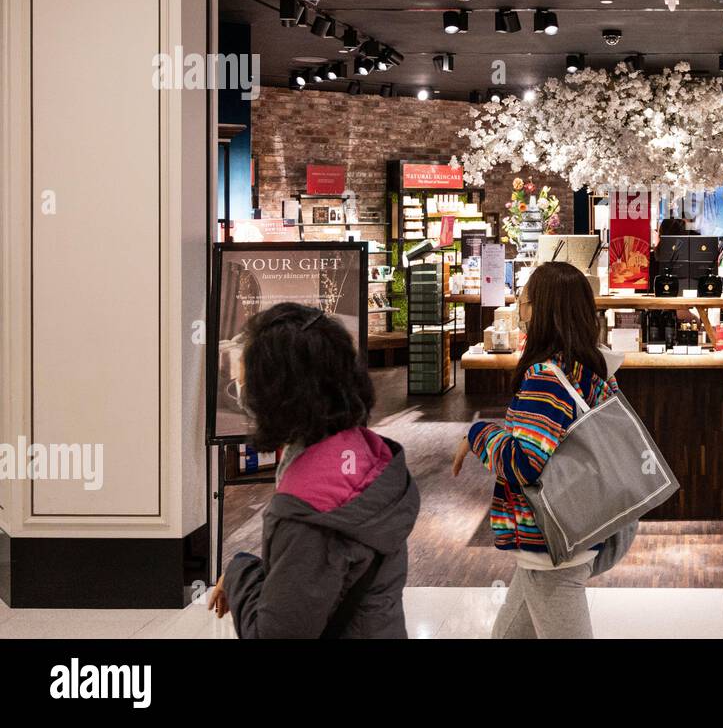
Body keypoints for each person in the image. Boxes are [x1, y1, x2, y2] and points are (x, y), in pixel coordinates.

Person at [209, 302, 420, 638]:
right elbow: (324, 576)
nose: (240, 391)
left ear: (278, 394)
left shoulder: (307, 509)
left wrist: (240, 573)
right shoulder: (372, 459)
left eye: (246, 382)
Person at [452, 261, 621, 639]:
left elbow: (523, 462)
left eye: (525, 302)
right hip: (573, 528)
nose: (520, 309)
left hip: (551, 544)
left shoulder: (547, 378)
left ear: (542, 311)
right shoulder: (588, 367)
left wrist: (478, 434)